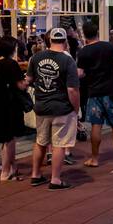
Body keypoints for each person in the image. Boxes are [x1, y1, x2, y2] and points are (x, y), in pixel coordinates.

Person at [76, 20, 113, 169]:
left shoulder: (83, 52)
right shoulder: (109, 47)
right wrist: (112, 64)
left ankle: (94, 158)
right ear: (97, 32)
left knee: (96, 125)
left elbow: (80, 73)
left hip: (94, 92)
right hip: (111, 90)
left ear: (85, 35)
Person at [28, 27, 79, 189]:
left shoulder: (36, 57)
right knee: (59, 144)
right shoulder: (68, 60)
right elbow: (72, 89)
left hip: (41, 106)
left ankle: (35, 174)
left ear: (49, 40)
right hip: (61, 107)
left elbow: (28, 79)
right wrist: (75, 109)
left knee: (40, 141)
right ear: (65, 41)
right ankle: (55, 179)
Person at [0, 37, 27, 182]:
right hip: (10, 104)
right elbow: (21, 85)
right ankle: (5, 171)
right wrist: (28, 80)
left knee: (6, 137)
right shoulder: (11, 64)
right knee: (9, 139)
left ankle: (11, 167)